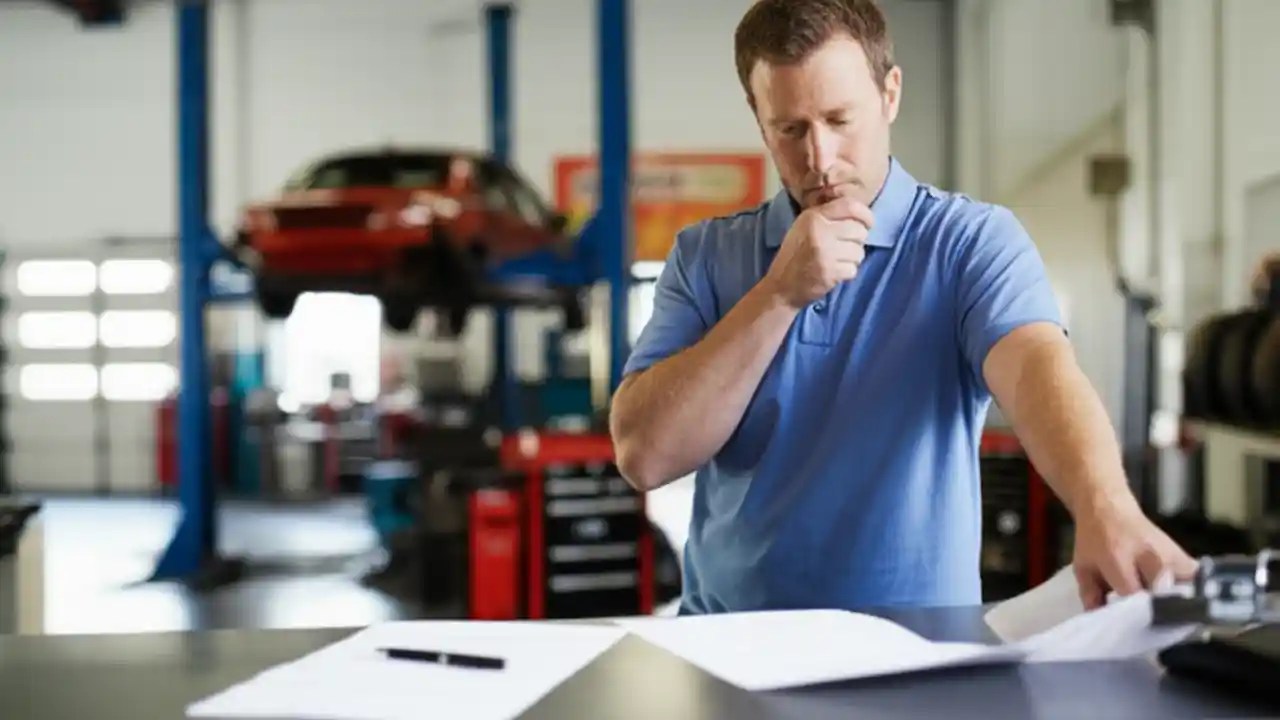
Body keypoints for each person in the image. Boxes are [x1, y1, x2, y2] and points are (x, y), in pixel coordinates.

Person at [609, 0, 1196, 614]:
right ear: (760, 120)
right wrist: (778, 295)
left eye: (840, 119)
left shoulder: (968, 243)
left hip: (918, 655)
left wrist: (1105, 506)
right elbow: (645, 455)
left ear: (890, 94)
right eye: (791, 129)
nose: (820, 158)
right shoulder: (705, 257)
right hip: (730, 645)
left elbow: (1036, 370)